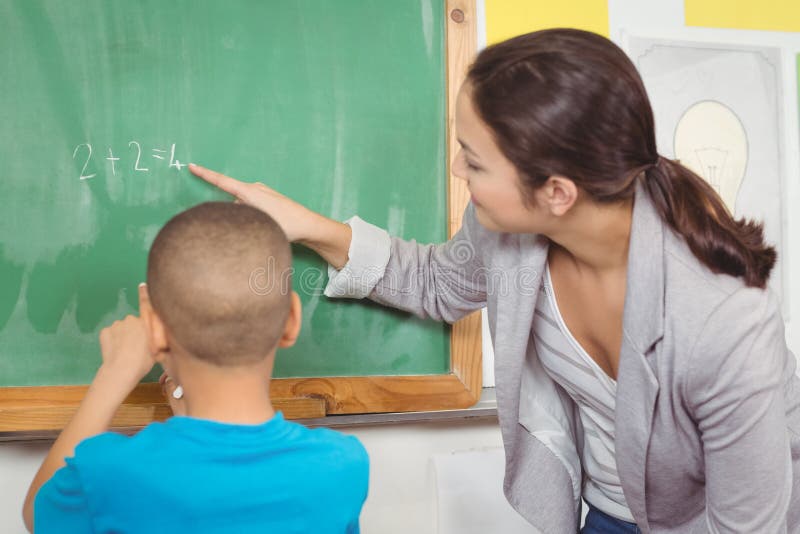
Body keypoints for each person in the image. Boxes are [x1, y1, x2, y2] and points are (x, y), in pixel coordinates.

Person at [189, 28, 800, 533]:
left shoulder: (722, 321)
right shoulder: (505, 232)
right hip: (611, 513)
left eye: (474, 161)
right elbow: (433, 281)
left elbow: (749, 526)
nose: (456, 169)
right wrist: (307, 226)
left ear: (557, 192)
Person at [22, 202, 369, 533]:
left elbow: (38, 513)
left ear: (153, 327)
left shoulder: (106, 476)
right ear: (292, 319)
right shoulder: (343, 467)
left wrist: (114, 374)